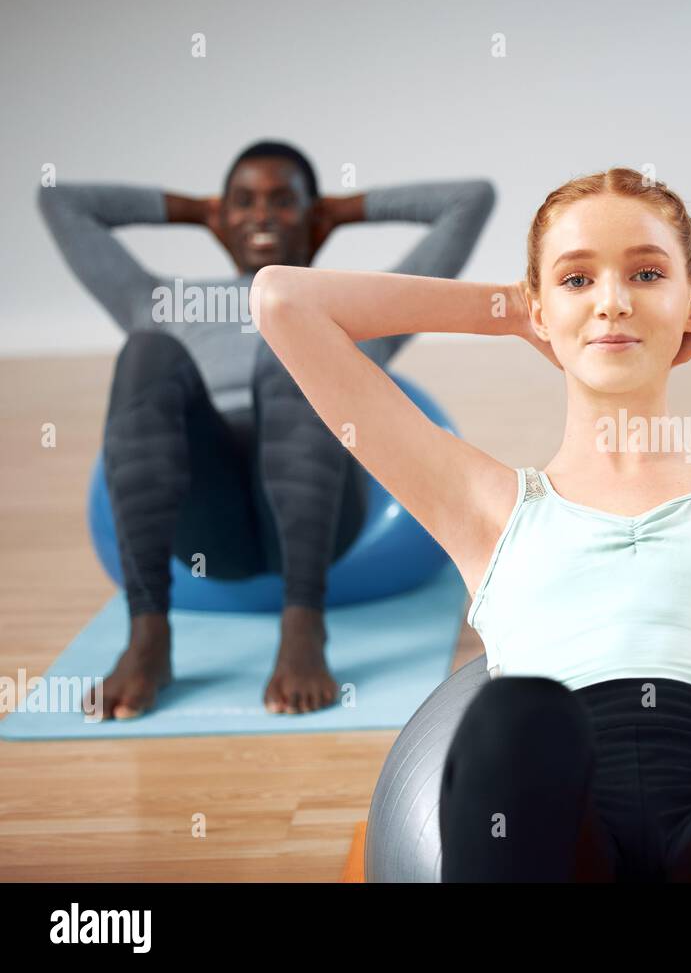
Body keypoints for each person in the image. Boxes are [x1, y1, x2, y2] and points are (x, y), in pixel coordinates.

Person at [249, 167, 691, 881]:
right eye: (576, 279)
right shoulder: (487, 509)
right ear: (538, 308)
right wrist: (504, 309)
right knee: (517, 716)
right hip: (554, 823)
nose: (612, 302)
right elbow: (283, 300)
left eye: (645, 274)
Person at [39, 140, 495, 719]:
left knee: (295, 334)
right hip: (210, 523)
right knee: (146, 351)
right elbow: (61, 203)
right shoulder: (164, 301)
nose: (260, 214)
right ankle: (148, 637)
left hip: (323, 516)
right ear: (221, 216)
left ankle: (304, 626)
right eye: (243, 202)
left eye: (283, 202)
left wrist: (339, 212)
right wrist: (196, 210)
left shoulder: (350, 305)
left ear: (313, 215)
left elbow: (470, 200)